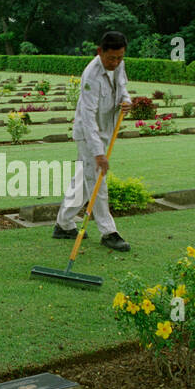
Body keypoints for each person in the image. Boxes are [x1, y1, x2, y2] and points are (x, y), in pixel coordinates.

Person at [53, 31, 133, 251]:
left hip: (106, 131)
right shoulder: (91, 75)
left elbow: (123, 87)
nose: (115, 63)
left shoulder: (119, 65)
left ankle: (63, 224)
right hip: (89, 135)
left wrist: (126, 101)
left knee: (83, 180)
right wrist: (98, 153)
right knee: (98, 180)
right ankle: (108, 232)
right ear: (100, 52)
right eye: (111, 59)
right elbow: (88, 118)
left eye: (120, 58)